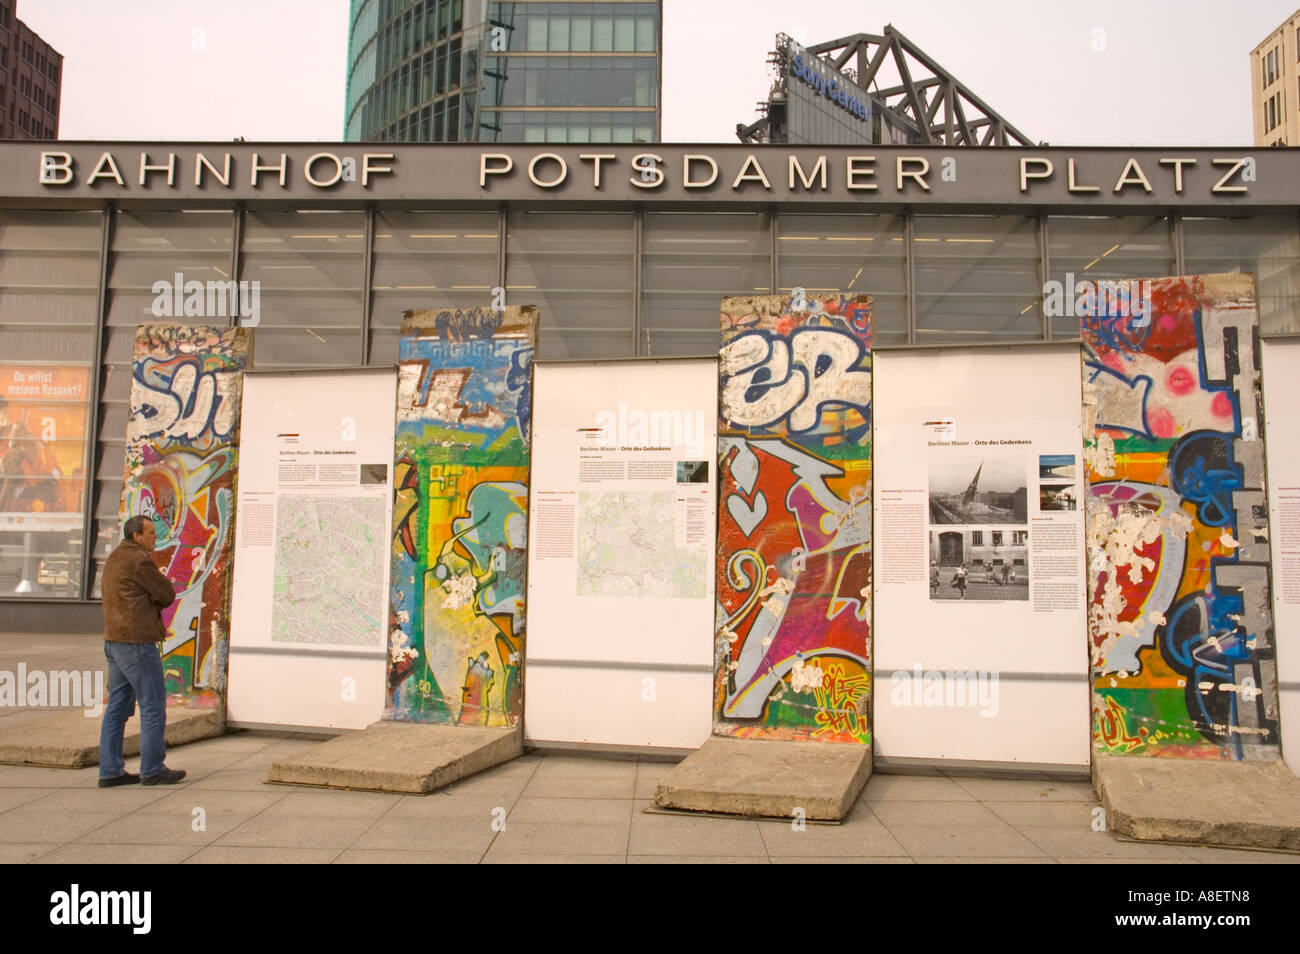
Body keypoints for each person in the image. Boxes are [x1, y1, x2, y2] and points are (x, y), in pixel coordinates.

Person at [98, 515, 186, 787]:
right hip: (136, 643)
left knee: (116, 708)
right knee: (153, 705)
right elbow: (166, 594)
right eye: (150, 533)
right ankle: (152, 768)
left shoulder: (114, 558)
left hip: (114, 641)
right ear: (136, 536)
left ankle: (110, 771)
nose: (154, 537)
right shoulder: (140, 560)